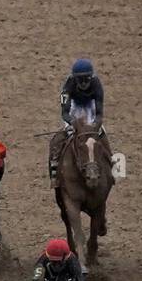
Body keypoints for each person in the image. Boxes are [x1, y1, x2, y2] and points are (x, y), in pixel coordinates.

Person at [49, 58, 105, 187]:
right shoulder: (68, 85)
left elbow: (99, 113)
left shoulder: (97, 85)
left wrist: (95, 125)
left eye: (86, 79)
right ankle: (54, 169)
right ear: (75, 79)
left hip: (90, 107)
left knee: (102, 134)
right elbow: (64, 113)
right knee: (59, 138)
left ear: (91, 78)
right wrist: (74, 124)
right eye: (80, 79)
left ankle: (111, 165)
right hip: (73, 108)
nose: (84, 83)